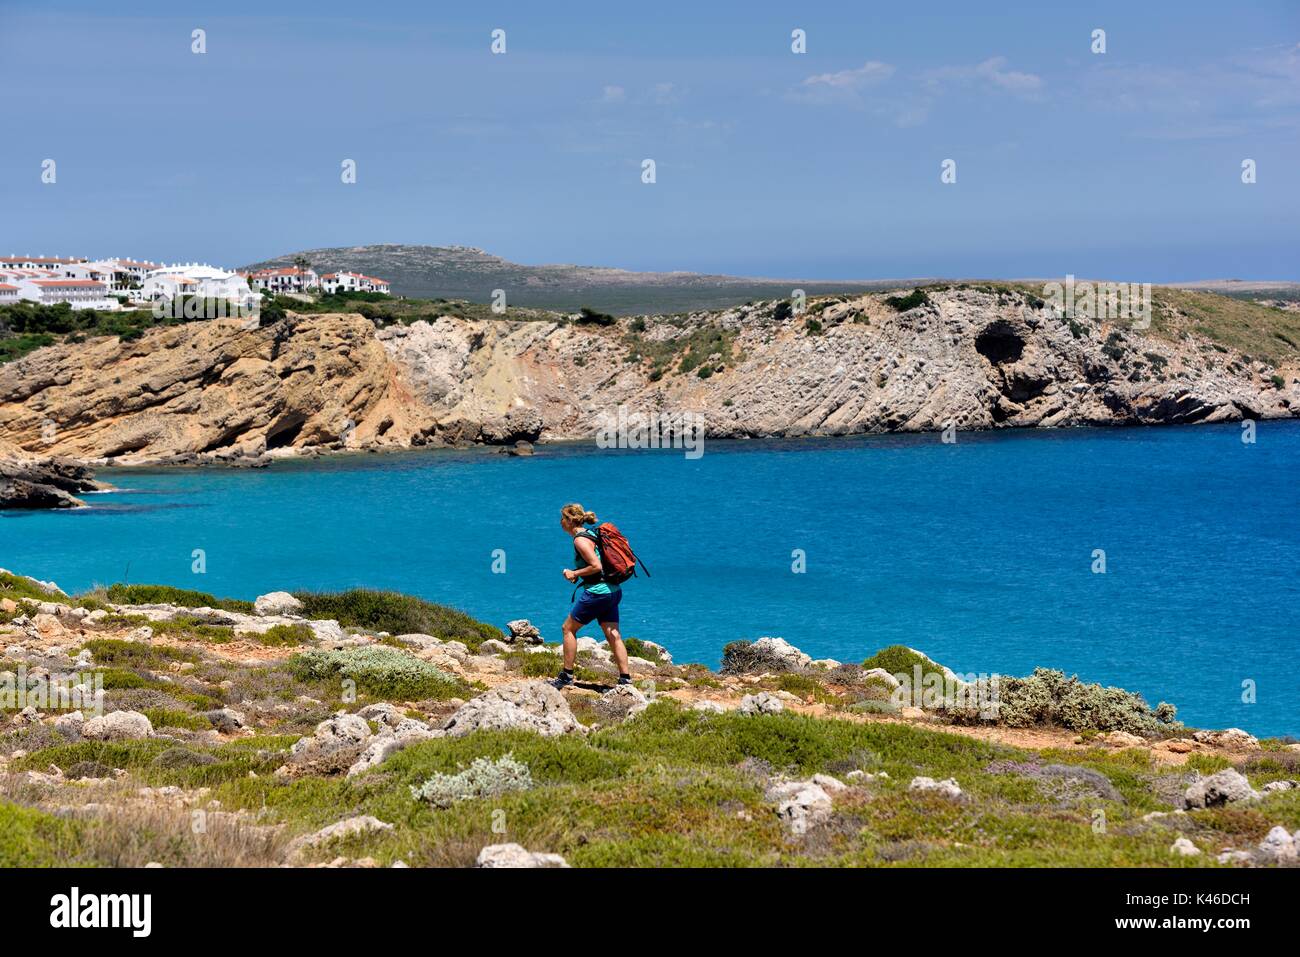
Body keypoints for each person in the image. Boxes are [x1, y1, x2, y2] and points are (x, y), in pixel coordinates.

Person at [550, 503, 632, 689]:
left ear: (570, 520)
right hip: (613, 591)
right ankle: (625, 680)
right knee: (613, 634)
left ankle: (566, 676)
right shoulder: (592, 534)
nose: (560, 522)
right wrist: (581, 573)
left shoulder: (579, 539)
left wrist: (574, 573)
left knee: (568, 629)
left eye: (562, 518)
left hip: (598, 593)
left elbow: (596, 566)